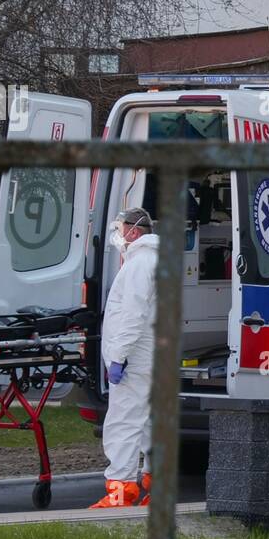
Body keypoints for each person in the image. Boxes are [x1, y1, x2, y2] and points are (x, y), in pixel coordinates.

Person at [91, 207, 158, 508]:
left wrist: (118, 356)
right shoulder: (155, 261)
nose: (118, 235)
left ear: (135, 231)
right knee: (149, 423)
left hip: (134, 359)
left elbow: (132, 315)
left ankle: (120, 493)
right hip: (151, 357)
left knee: (123, 424)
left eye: (120, 228)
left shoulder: (139, 264)